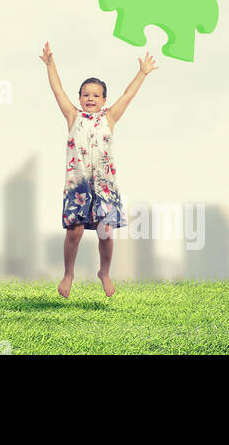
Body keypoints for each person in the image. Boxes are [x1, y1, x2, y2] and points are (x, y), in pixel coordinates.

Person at [41, 43, 155, 298]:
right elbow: (57, 89)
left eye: (96, 95)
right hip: (78, 185)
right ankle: (68, 273)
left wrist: (142, 73)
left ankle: (104, 272)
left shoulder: (110, 118)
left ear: (104, 100)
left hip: (105, 185)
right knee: (75, 232)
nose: (90, 99)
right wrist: (51, 65)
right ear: (80, 98)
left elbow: (128, 95)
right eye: (86, 95)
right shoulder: (73, 117)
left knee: (105, 232)